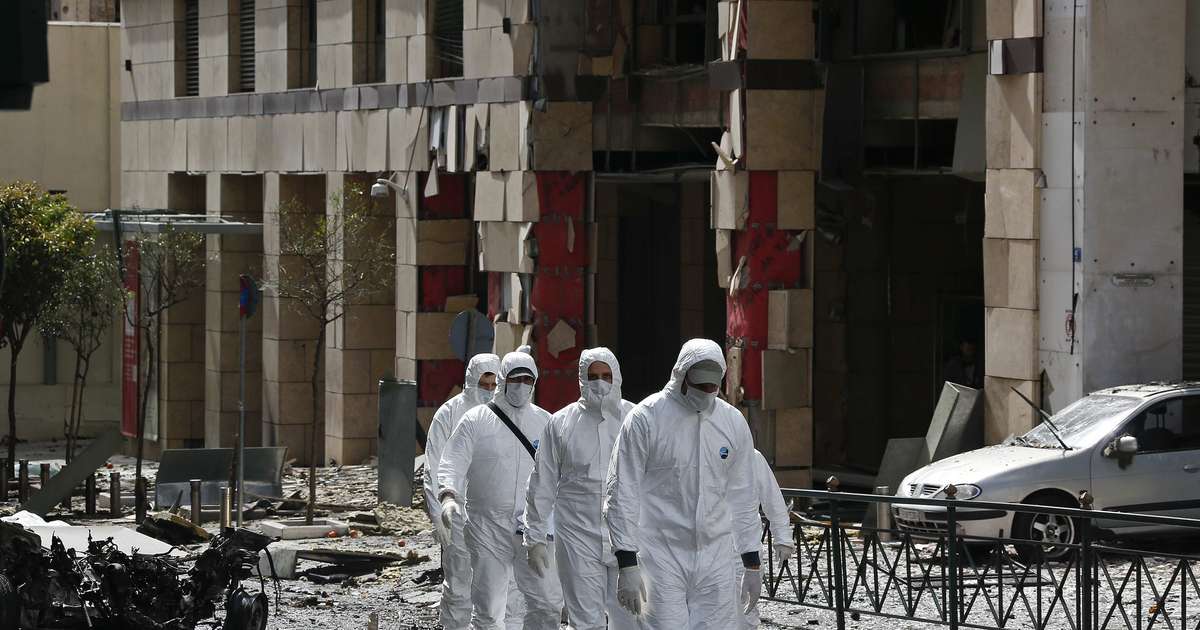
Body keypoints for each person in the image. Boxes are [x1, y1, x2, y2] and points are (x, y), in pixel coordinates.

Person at [603, 339, 763, 629]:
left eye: (712, 386)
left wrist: (752, 561)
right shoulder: (647, 418)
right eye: (700, 385)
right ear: (681, 375)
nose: (706, 391)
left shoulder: (731, 422)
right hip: (660, 554)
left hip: (715, 556)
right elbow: (622, 490)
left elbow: (744, 495)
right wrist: (626, 561)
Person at [437, 351, 564, 630]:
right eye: (515, 379)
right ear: (503, 380)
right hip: (487, 526)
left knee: (544, 603)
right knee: (489, 607)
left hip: (531, 528)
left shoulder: (546, 423)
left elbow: (561, 473)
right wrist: (448, 496)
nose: (521, 386)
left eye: (528, 380)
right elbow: (453, 461)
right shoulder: (476, 420)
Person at [524, 348, 638, 630]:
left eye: (606, 376)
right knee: (585, 621)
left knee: (632, 620)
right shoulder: (561, 423)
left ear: (617, 377)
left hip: (628, 535)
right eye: (593, 376)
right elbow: (542, 481)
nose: (600, 383)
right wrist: (535, 536)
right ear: (582, 379)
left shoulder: (635, 419)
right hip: (577, 535)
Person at [422, 353, 500, 630]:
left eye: (494, 384)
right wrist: (437, 515)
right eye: (483, 384)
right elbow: (433, 467)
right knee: (458, 585)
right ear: (470, 381)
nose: (489, 390)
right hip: (457, 513)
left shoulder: (504, 414)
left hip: (495, 515)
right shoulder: (449, 414)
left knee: (496, 588)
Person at [734, 450, 796, 629]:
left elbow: (772, 497)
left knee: (744, 610)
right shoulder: (697, 452)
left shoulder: (751, 457)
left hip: (744, 551)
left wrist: (783, 537)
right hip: (705, 548)